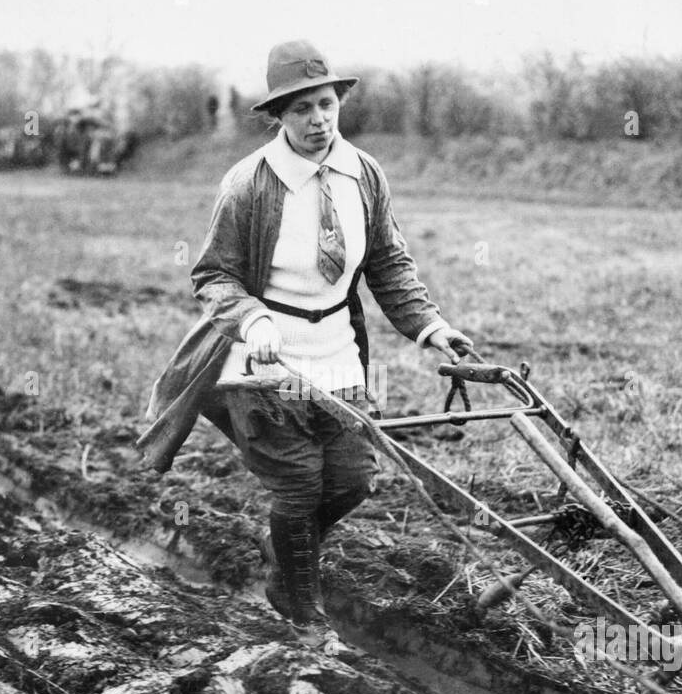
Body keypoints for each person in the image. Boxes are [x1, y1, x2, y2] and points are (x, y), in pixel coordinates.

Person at [137, 40, 472, 648]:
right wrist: (254, 321)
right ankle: (301, 607)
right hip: (262, 355)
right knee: (297, 483)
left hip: (336, 352)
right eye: (301, 110)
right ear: (278, 116)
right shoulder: (249, 183)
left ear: (339, 101)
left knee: (350, 480)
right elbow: (213, 274)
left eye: (326, 104)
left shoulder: (364, 174)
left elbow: (388, 262)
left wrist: (431, 326)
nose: (318, 120)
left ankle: (284, 545)